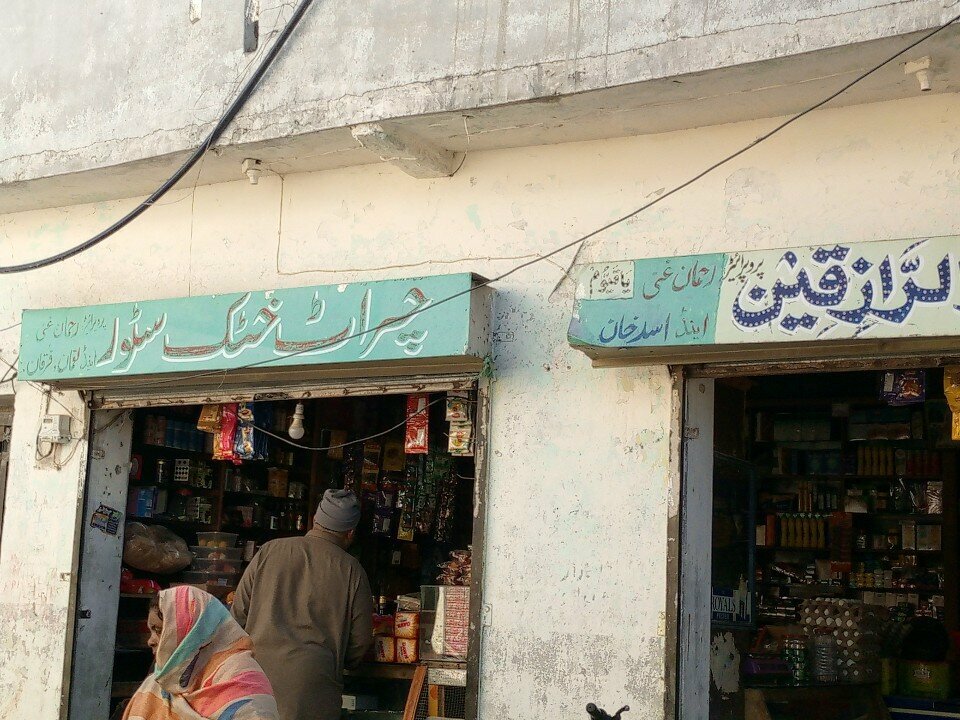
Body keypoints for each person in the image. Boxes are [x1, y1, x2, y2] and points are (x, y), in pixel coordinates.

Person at [231, 489, 374, 720]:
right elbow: (360, 640)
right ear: (351, 533)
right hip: (312, 685)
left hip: (256, 676)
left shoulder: (269, 551)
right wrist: (343, 663)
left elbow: (237, 616)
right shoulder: (351, 569)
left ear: (315, 520)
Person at [119, 585, 278, 720]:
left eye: (159, 631)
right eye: (151, 631)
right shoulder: (158, 685)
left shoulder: (244, 684)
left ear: (191, 633)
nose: (150, 641)